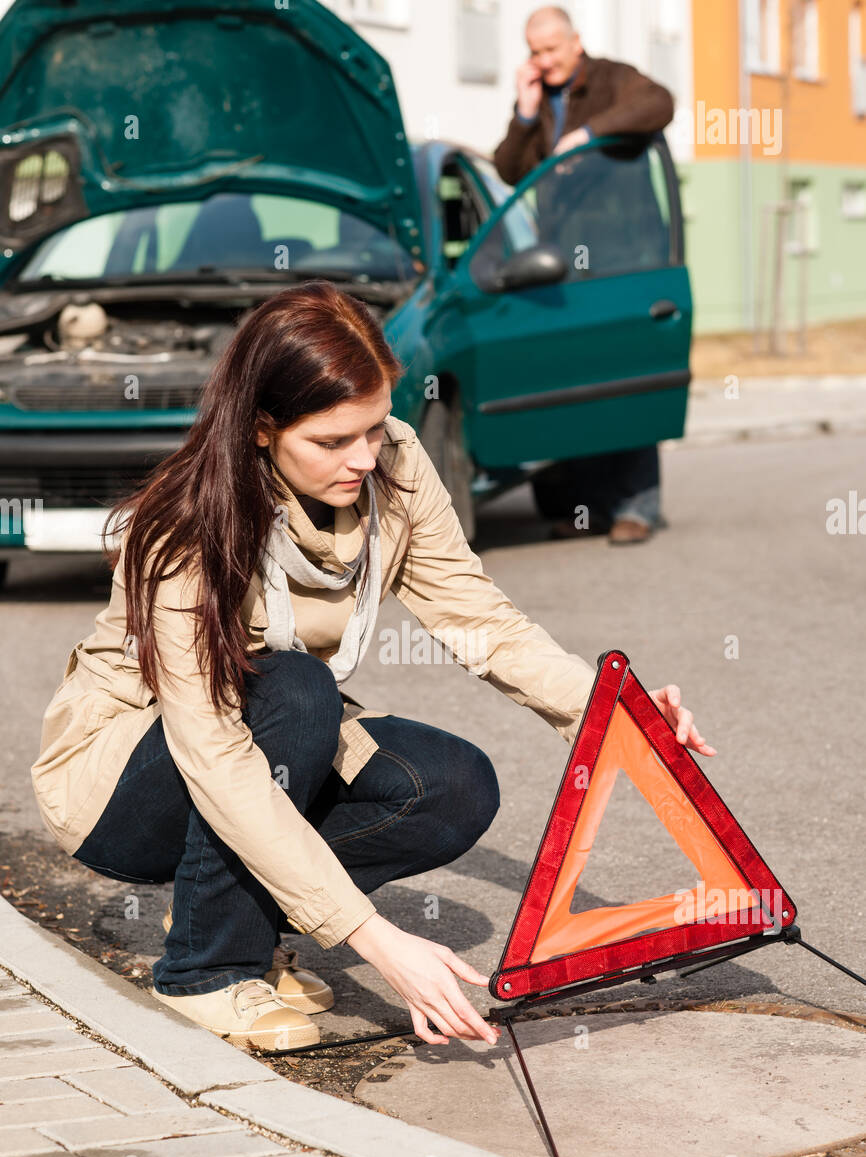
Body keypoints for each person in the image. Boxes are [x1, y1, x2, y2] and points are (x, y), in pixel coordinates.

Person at [30, 281, 715, 1055]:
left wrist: (612, 711)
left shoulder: (394, 465)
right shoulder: (188, 526)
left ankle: (223, 907)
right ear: (262, 429)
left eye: (374, 429)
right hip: (125, 779)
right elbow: (214, 755)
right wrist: (377, 941)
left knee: (452, 786)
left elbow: (478, 619)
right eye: (332, 442)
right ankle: (206, 967)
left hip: (273, 730)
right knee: (294, 685)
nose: (363, 458)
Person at [492, 4, 675, 545]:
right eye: (534, 51)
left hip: (627, 258)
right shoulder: (538, 101)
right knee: (580, 381)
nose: (543, 60)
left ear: (575, 42)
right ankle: (589, 509)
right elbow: (508, 170)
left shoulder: (615, 79)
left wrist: (588, 133)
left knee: (627, 380)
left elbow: (660, 103)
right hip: (564, 265)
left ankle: (637, 507)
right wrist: (525, 114)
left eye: (551, 49)